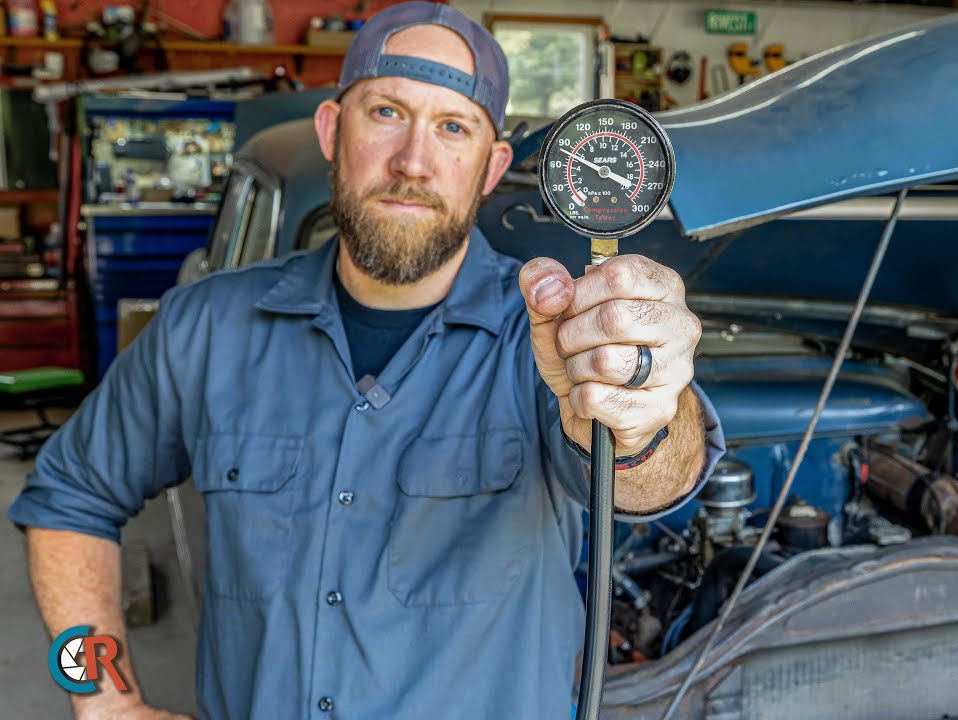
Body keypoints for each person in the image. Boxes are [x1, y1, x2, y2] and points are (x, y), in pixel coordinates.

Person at [7, 4, 724, 718]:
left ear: (489, 166)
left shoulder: (546, 334)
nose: (414, 162)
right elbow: (70, 498)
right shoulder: (205, 327)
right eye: (386, 112)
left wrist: (644, 416)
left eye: (453, 127)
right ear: (331, 130)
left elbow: (649, 478)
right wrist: (99, 697)